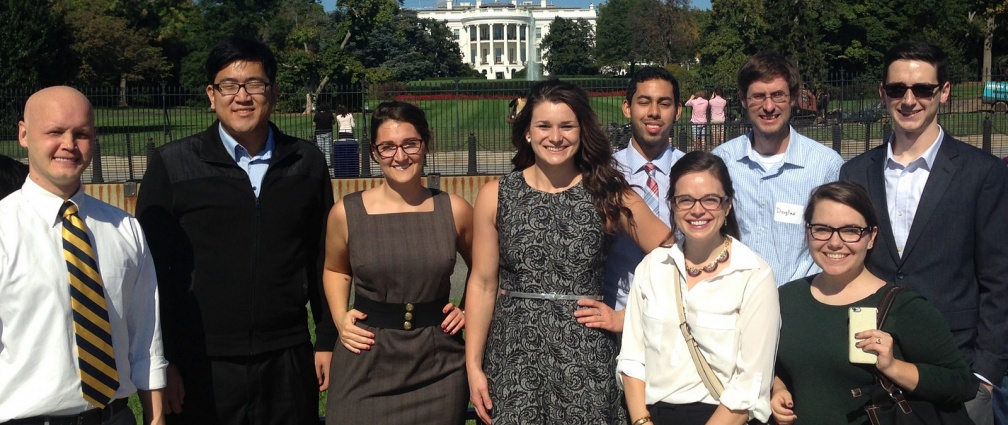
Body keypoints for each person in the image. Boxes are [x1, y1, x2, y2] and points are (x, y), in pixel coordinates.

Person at [135, 36, 337, 425]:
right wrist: (163, 360)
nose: (242, 96)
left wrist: (326, 338)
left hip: (286, 357)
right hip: (200, 361)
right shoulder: (173, 165)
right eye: (229, 85)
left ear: (273, 92)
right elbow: (151, 276)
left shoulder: (306, 162)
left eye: (255, 85)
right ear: (212, 95)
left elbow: (321, 258)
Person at [464, 79, 670, 425]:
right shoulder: (495, 195)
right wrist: (473, 365)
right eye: (543, 125)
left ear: (582, 131)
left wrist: (625, 318)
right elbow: (483, 284)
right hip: (515, 354)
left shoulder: (608, 192)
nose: (555, 137)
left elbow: (671, 256)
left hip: (585, 355)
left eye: (566, 126)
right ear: (527, 131)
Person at [839, 40, 1008, 425]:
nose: (909, 99)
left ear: (943, 92)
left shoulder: (983, 173)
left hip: (956, 368)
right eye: (897, 89)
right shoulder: (855, 173)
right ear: (883, 94)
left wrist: (985, 376)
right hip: (872, 370)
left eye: (923, 89)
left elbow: (1000, 280)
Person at [0, 86, 166, 424]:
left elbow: (147, 338)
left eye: (81, 134)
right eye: (55, 132)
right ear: (24, 134)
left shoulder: (125, 228)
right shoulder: (4, 230)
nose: (68, 145)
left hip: (114, 416)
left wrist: (156, 417)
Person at [771, 181, 976, 425]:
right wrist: (778, 389)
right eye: (822, 229)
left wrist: (893, 367)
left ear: (871, 237)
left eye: (850, 230)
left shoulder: (905, 307)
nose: (835, 242)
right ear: (808, 232)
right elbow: (777, 366)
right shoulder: (786, 298)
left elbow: (962, 384)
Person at [322, 101, 472, 424]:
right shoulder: (346, 214)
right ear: (374, 152)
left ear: (425, 145)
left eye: (410, 144)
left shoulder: (455, 210)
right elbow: (335, 269)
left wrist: (468, 309)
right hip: (365, 361)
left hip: (438, 366)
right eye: (387, 147)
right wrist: (339, 318)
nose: (400, 156)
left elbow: (486, 271)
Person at [618, 151, 780, 425]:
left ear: (727, 205)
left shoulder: (753, 275)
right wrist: (641, 422)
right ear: (672, 205)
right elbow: (633, 358)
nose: (697, 210)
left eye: (710, 200)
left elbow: (750, 384)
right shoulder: (653, 266)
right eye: (685, 200)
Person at [712, 51, 844, 286]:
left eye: (778, 95)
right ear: (743, 99)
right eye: (758, 96)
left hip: (800, 302)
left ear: (793, 98)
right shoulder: (722, 162)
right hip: (735, 301)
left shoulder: (825, 167)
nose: (769, 106)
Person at [594, 66, 685, 333]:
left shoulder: (695, 174)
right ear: (627, 108)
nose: (654, 112)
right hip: (614, 317)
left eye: (664, 103)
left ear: (678, 111)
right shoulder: (603, 174)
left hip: (679, 318)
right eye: (644, 102)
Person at [314, 103, 335, 170]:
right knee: (328, 148)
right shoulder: (329, 114)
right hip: (328, 132)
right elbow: (333, 122)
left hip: (319, 132)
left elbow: (314, 124)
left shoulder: (317, 115)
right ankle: (328, 163)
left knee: (321, 148)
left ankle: (321, 162)